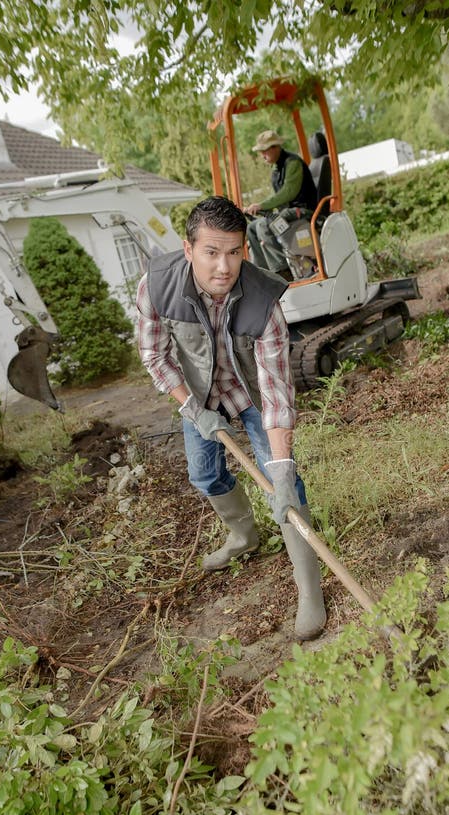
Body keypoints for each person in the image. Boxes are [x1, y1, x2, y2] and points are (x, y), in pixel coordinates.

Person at [136, 195, 326, 641]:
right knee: (204, 475)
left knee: (283, 481)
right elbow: (154, 355)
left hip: (249, 391)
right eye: (211, 252)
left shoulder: (264, 300)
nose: (224, 267)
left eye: (234, 252)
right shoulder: (157, 286)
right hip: (198, 393)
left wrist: (281, 471)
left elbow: (276, 390)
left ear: (245, 249)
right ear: (188, 249)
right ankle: (244, 536)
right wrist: (192, 408)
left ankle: (308, 585)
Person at [243, 129, 317, 279]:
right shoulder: (277, 167)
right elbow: (277, 196)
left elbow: (288, 192)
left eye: (264, 150)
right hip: (289, 212)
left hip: (302, 210)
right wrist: (256, 207)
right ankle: (262, 273)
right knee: (252, 228)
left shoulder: (293, 163)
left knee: (264, 225)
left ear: (275, 147)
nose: (262, 155)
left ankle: (282, 273)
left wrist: (262, 206)